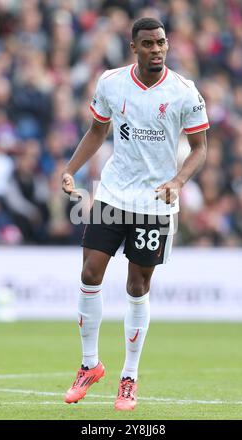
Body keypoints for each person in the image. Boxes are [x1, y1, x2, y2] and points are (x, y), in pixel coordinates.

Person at [61, 17, 209, 411]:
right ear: (134, 48)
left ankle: (129, 377)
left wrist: (177, 182)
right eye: (148, 44)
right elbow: (97, 131)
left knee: (136, 287)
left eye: (161, 43)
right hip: (112, 194)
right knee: (90, 272)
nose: (157, 49)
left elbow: (200, 149)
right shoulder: (110, 82)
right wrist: (71, 169)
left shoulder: (184, 93)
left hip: (155, 203)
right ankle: (89, 365)